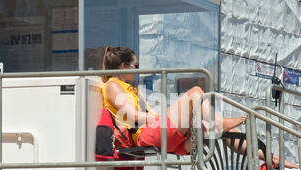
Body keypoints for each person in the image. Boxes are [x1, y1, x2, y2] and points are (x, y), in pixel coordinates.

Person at [100, 46, 243, 155]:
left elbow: (145, 112)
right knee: (195, 92)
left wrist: (162, 116)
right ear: (124, 66)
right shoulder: (113, 85)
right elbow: (133, 117)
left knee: (228, 129)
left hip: (158, 134)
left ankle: (261, 156)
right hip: (146, 135)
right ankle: (216, 123)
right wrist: (159, 118)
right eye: (135, 66)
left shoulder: (133, 89)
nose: (137, 70)